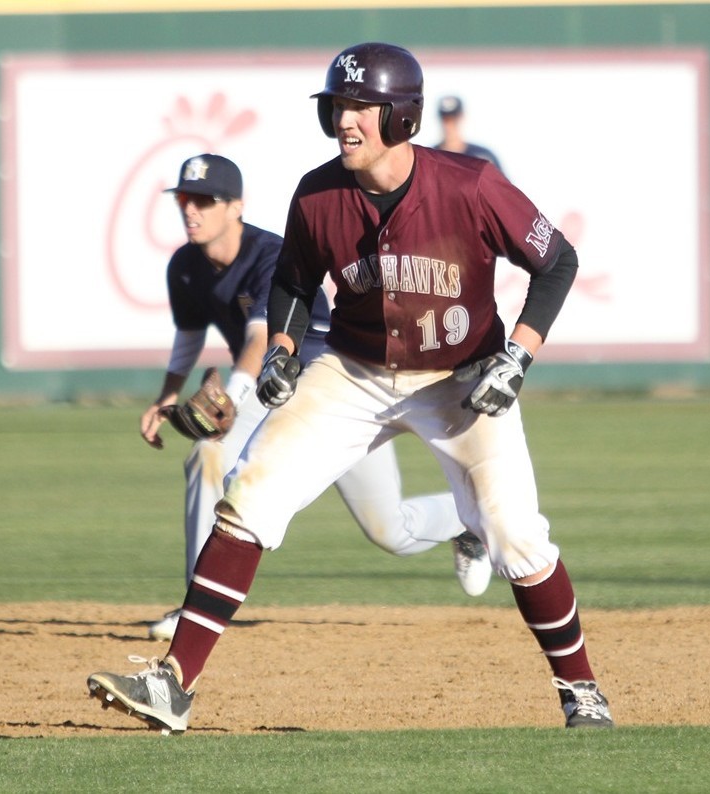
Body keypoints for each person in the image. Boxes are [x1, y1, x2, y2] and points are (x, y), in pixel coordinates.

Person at [88, 43, 612, 734]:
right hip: (355, 371)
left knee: (517, 537)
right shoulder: (318, 192)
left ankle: (580, 691)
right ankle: (172, 684)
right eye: (337, 106)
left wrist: (519, 353)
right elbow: (294, 282)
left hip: (460, 379)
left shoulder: (471, 184)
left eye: (361, 107)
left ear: (401, 117)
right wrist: (280, 346)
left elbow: (556, 261)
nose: (345, 120)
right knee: (248, 497)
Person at [138, 153, 491, 643]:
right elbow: (189, 335)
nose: (191, 210)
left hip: (334, 386)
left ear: (236, 206)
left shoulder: (267, 254)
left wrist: (235, 395)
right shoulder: (185, 266)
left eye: (204, 200)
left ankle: (470, 521)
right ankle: (193, 606)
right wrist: (167, 396)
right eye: (184, 199)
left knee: (390, 529)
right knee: (208, 456)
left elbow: (262, 340)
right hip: (272, 391)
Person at [434, 94, 502, 171]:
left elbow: (500, 183)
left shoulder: (484, 158)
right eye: (446, 120)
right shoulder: (428, 159)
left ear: (462, 118)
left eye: (454, 120)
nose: (449, 126)